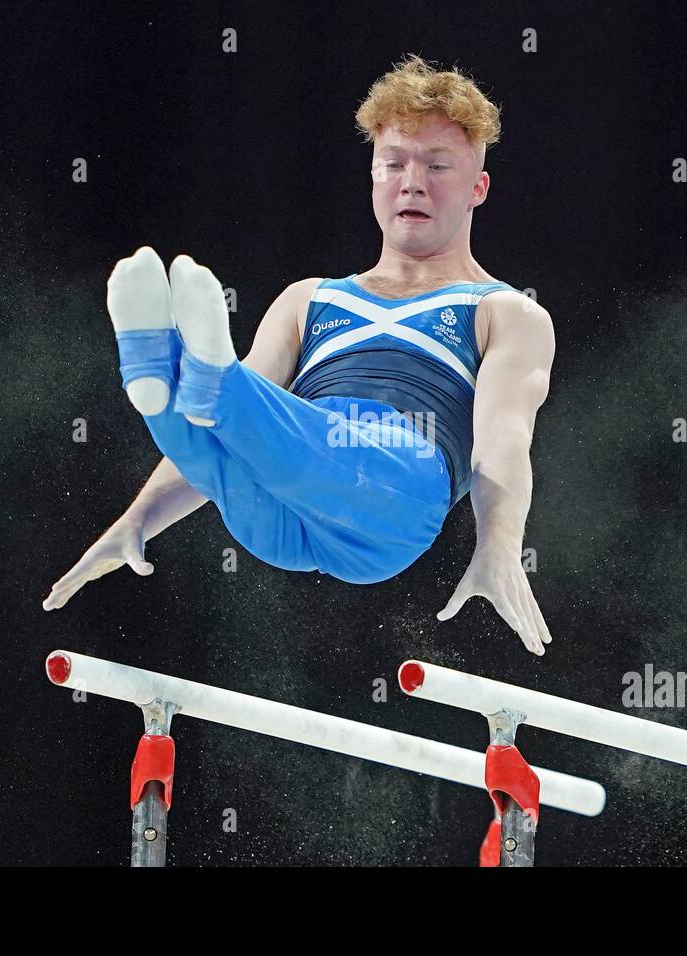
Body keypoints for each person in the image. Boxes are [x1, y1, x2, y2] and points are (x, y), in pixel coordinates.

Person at [43, 55, 556, 654]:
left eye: (437, 165)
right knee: (218, 436)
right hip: (281, 523)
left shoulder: (504, 312)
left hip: (394, 498)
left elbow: (503, 444)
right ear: (373, 177)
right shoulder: (308, 299)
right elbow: (231, 436)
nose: (412, 181)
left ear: (477, 188)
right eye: (393, 163)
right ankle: (160, 370)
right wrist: (136, 521)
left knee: (267, 417)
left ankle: (179, 361)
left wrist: (496, 547)